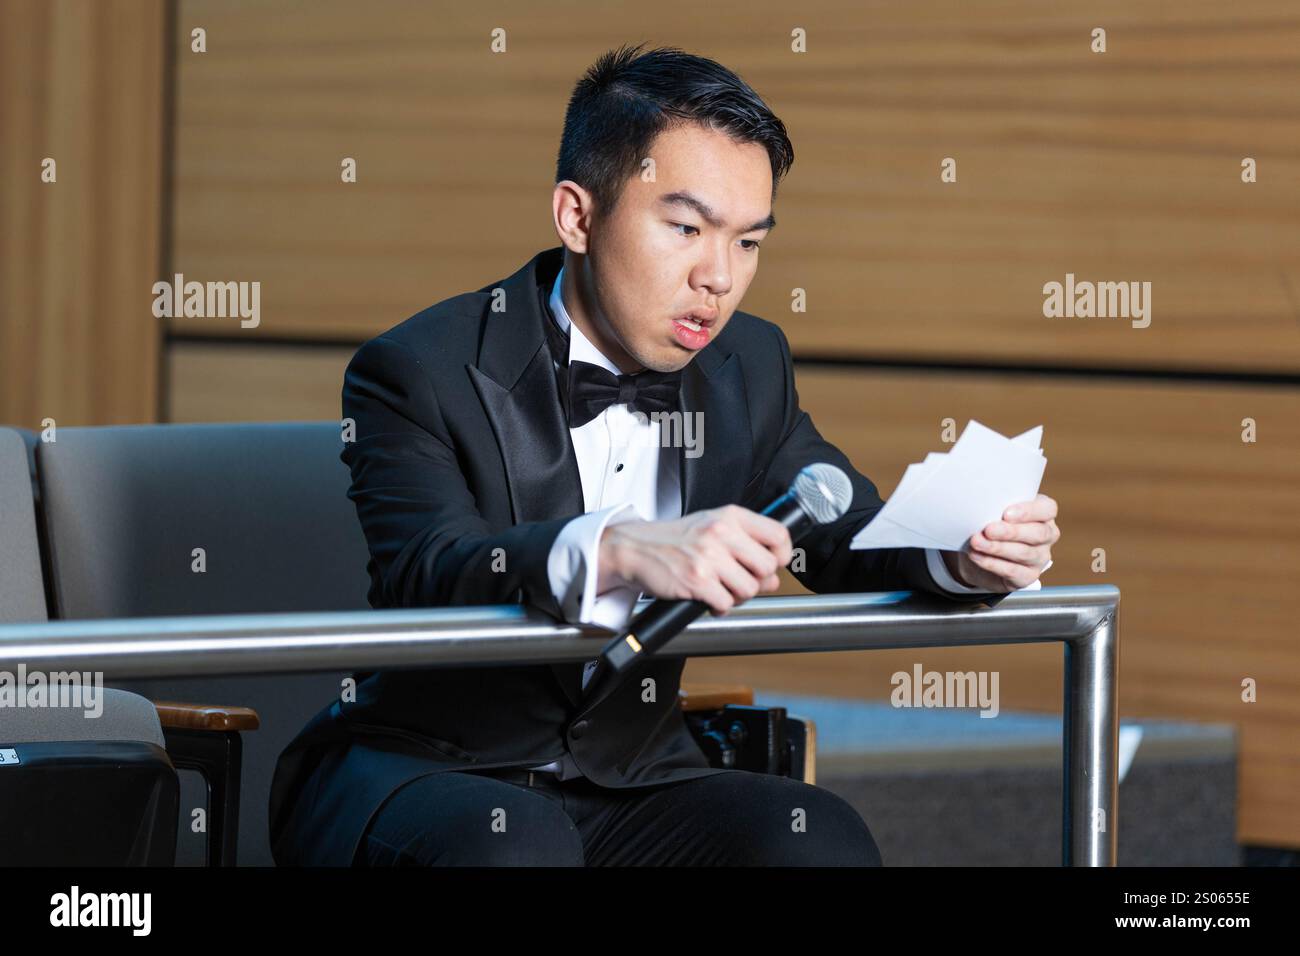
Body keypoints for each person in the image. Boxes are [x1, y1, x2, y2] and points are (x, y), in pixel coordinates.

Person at [269, 44, 1059, 867]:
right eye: (685, 227)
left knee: (818, 841)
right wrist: (616, 550)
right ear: (577, 215)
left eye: (749, 242)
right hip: (425, 770)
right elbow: (426, 570)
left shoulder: (746, 366)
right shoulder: (419, 367)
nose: (717, 277)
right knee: (516, 852)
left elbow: (843, 534)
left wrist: (964, 557)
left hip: (632, 780)